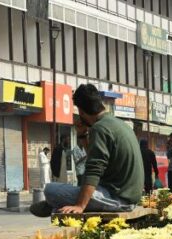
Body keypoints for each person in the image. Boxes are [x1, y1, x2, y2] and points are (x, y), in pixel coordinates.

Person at [31, 83, 143, 216]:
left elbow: (94, 169)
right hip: (128, 196)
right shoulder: (118, 124)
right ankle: (53, 205)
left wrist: (80, 206)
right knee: (65, 191)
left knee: (50, 190)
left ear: (81, 111)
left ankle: (52, 205)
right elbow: (96, 157)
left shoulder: (99, 128)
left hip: (118, 199)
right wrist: (82, 135)